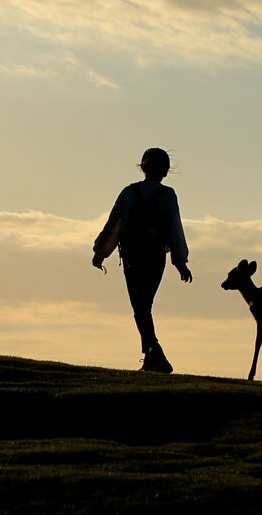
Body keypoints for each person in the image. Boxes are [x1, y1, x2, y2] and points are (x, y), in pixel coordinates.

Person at [92, 148, 192, 373]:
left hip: (130, 255)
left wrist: (101, 252)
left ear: (142, 168)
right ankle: (152, 354)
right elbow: (174, 229)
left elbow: (113, 224)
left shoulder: (129, 192)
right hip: (154, 256)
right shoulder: (167, 195)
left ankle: (152, 352)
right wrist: (180, 261)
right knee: (143, 306)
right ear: (166, 171)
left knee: (140, 307)